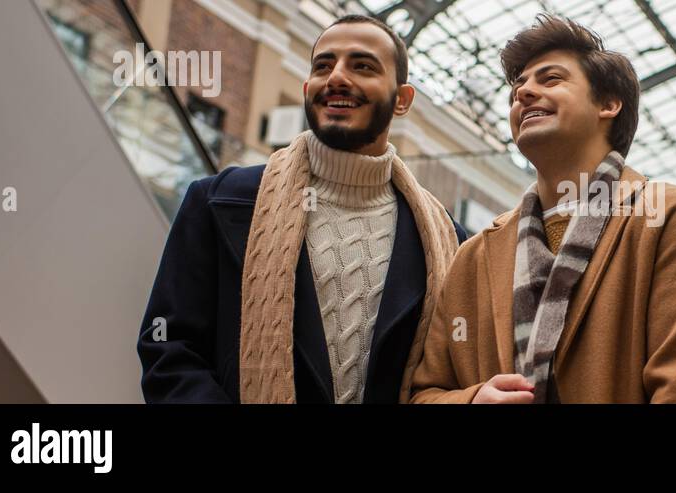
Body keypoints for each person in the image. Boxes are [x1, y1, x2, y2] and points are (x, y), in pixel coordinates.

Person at [138, 14, 465, 404]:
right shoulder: (219, 201)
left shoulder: (446, 241)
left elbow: (448, 375)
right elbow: (169, 348)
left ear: (402, 100)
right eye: (324, 65)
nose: (337, 77)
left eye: (362, 66)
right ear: (308, 87)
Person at [410, 14, 676, 404]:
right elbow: (424, 393)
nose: (524, 93)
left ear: (609, 104)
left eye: (550, 79)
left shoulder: (672, 217)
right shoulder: (474, 257)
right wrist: (474, 400)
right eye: (517, 88)